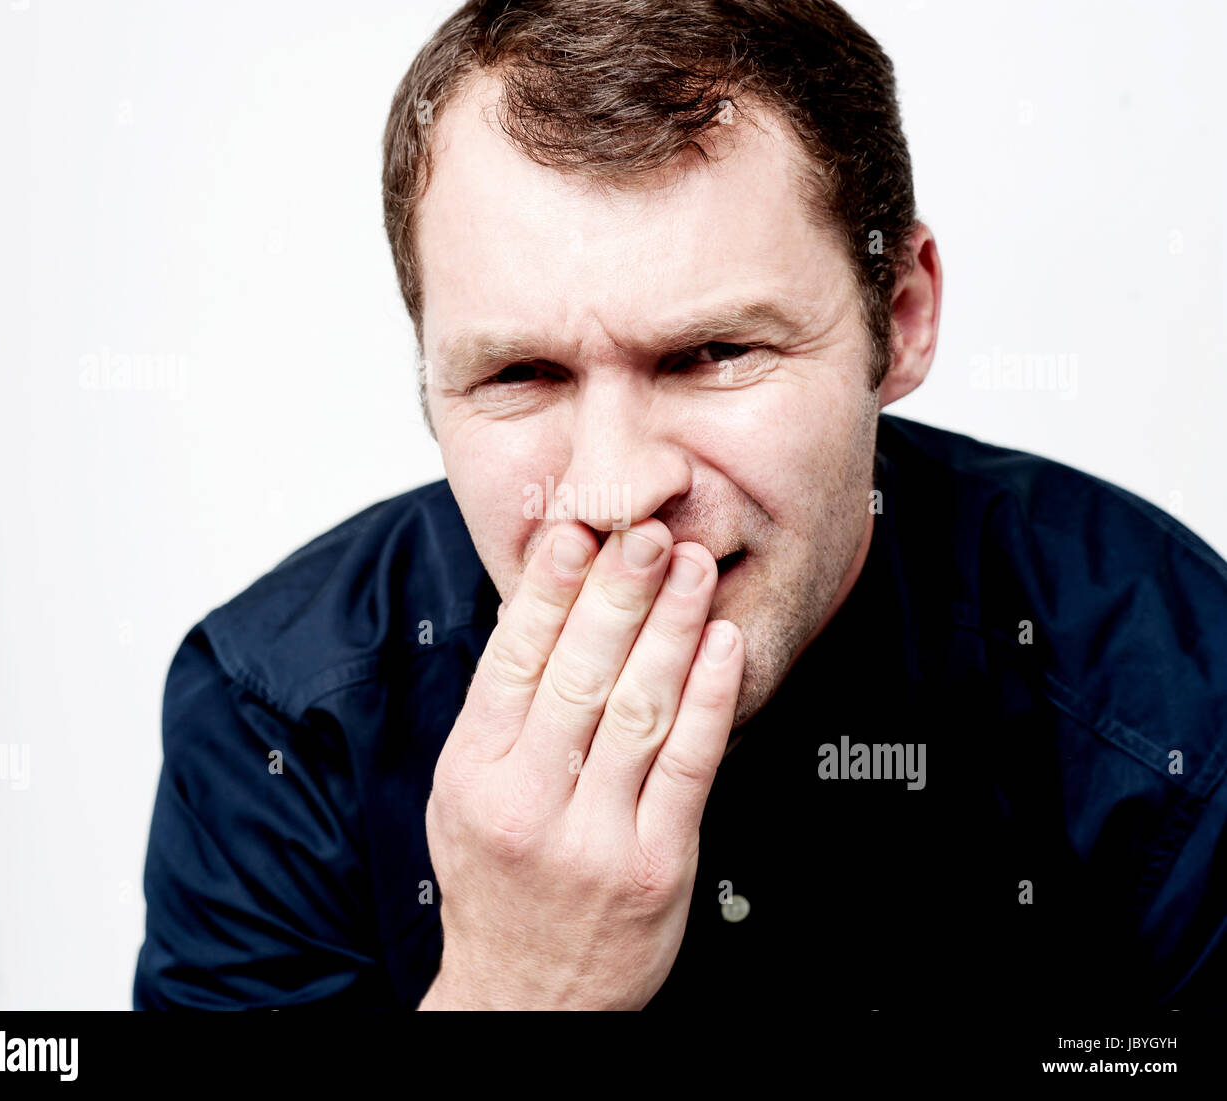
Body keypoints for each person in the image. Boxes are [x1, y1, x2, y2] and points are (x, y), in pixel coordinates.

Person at [133, 0, 1227, 1010]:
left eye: (711, 354)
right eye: (520, 374)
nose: (615, 493)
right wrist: (512, 988)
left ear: (898, 319)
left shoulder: (1173, 703)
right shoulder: (279, 724)